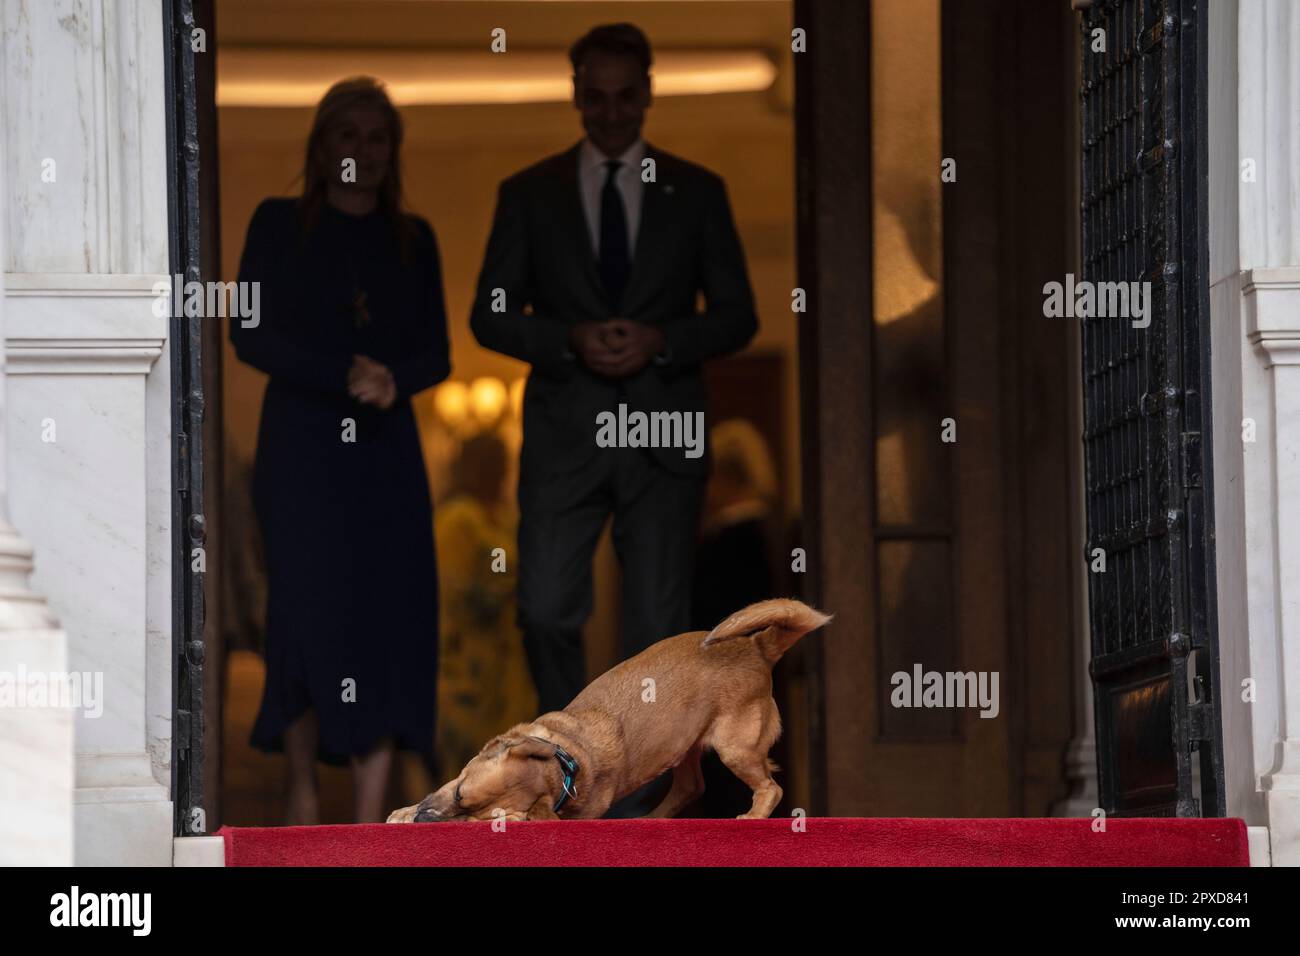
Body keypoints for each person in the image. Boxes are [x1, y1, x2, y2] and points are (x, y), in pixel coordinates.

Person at [469, 23, 758, 815]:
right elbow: (489, 314)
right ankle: (573, 762)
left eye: (626, 95)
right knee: (546, 607)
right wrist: (566, 337)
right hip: (566, 435)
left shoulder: (697, 192)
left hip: (664, 436)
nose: (611, 111)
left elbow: (738, 316)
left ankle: (637, 810)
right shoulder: (528, 193)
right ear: (575, 96)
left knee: (659, 633)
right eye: (594, 96)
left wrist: (664, 340)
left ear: (648, 93)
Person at [231, 76, 451, 824]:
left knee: (390, 615)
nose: (362, 149)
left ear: (394, 151)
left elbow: (440, 353)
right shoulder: (276, 223)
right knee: (306, 612)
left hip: (385, 456)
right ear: (321, 146)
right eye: (346, 134)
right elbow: (247, 332)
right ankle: (299, 789)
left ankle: (371, 821)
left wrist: (394, 379)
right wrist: (339, 375)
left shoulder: (414, 239)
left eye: (377, 135)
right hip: (301, 453)